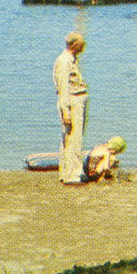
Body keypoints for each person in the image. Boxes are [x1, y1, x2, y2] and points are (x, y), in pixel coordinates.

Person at [53, 32, 89, 186]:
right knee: (73, 139)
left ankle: (67, 171)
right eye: (81, 44)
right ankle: (72, 174)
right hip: (71, 103)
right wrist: (66, 111)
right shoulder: (64, 61)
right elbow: (63, 88)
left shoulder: (71, 60)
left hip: (75, 101)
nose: (83, 46)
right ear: (74, 44)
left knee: (70, 138)